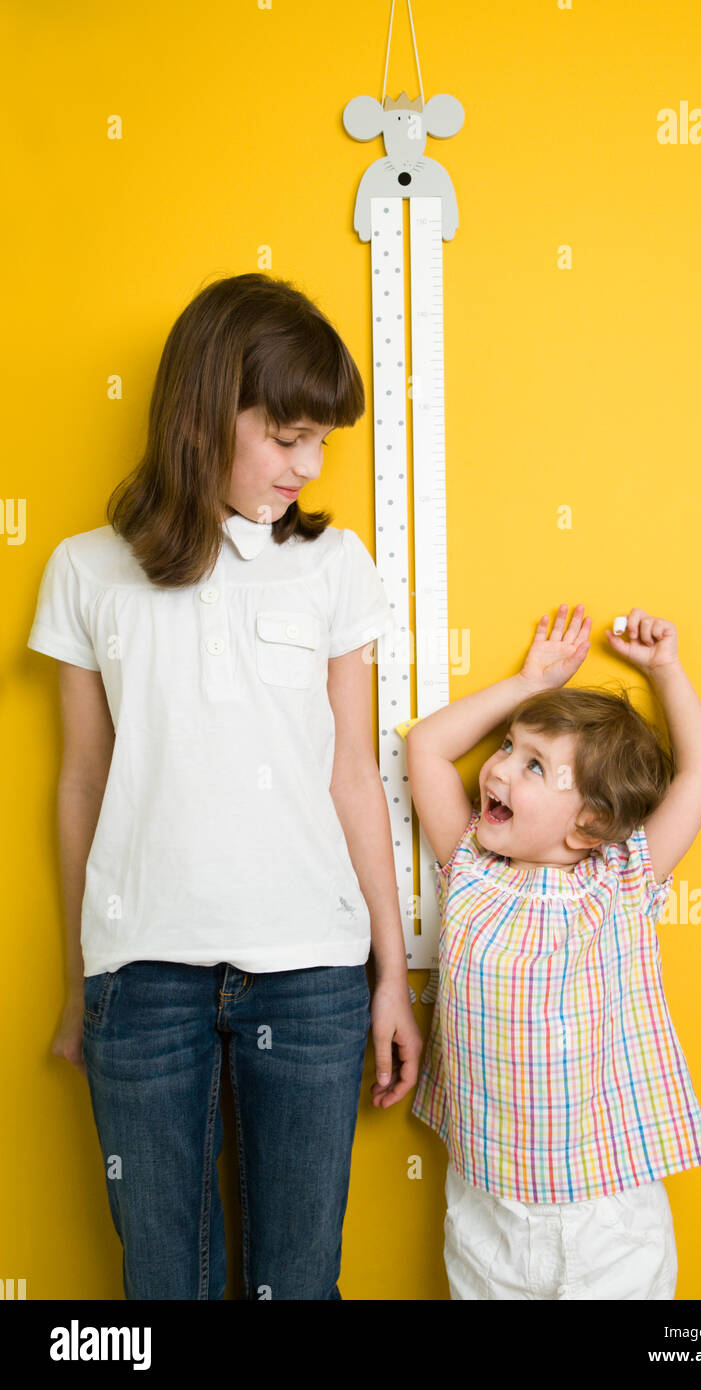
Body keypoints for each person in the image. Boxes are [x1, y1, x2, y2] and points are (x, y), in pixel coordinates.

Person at [28, 271, 422, 1300]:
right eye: (286, 434)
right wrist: (82, 979)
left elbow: (352, 773)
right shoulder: (85, 569)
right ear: (206, 411)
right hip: (141, 977)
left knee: (297, 1284)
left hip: (312, 970)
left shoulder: (333, 564)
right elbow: (83, 784)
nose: (307, 464)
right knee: (164, 1288)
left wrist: (390, 973)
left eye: (321, 442)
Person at [406, 602, 701, 1300]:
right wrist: (527, 685)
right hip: (489, 1206)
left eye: (533, 766)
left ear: (591, 824)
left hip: (606, 1210)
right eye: (505, 749)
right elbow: (425, 746)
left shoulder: (618, 881)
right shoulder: (468, 870)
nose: (496, 771)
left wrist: (666, 671)